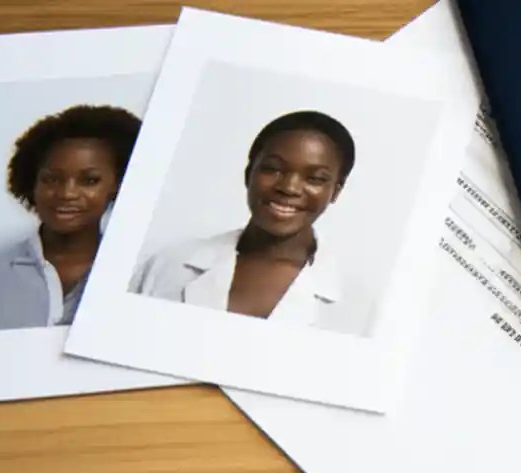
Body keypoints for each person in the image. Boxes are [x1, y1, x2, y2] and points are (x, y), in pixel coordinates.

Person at [131, 110, 355, 328]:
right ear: (249, 173)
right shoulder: (168, 265)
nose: (289, 188)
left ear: (335, 191)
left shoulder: (359, 307)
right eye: (273, 169)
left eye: (315, 178)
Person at [0, 104, 141, 333]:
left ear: (118, 185)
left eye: (89, 181)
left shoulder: (142, 278)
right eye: (52, 179)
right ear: (31, 182)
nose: (67, 194)